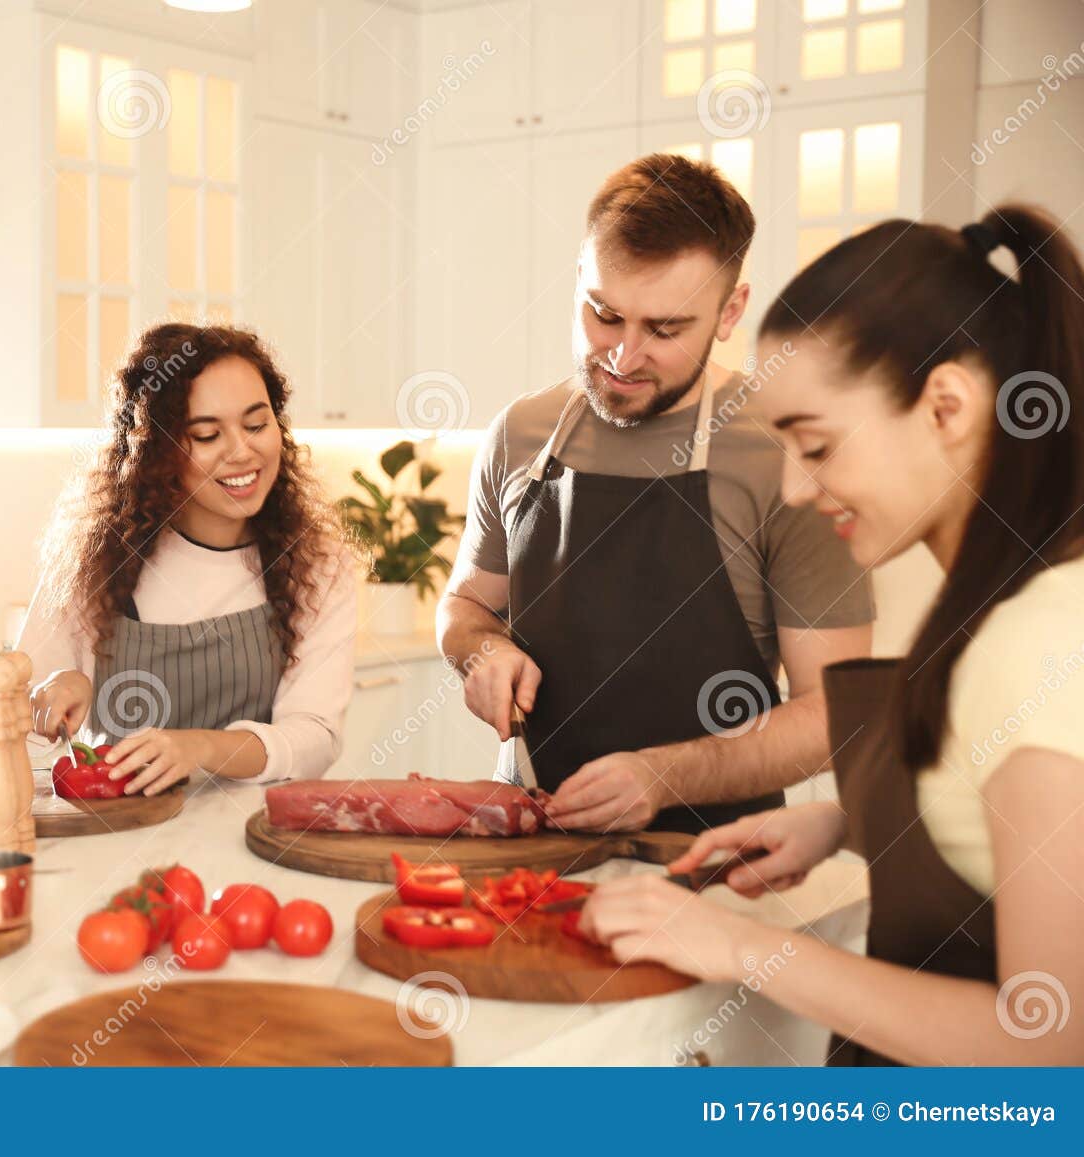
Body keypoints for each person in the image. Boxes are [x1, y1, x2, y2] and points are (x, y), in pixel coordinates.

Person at [582, 205, 1084, 1066]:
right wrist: (848, 824)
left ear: (947, 405)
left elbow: (1051, 1043)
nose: (799, 487)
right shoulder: (1021, 589)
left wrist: (739, 947)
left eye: (815, 445)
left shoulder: (1042, 635)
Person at [439, 153, 874, 834]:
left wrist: (666, 776)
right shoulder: (521, 434)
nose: (622, 356)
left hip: (719, 863)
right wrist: (480, 649)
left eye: (665, 329)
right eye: (603, 314)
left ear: (730, 311)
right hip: (534, 846)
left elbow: (834, 712)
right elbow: (464, 604)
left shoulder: (788, 458)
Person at [18, 322, 357, 796]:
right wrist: (56, 697)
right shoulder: (95, 561)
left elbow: (315, 738)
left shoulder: (318, 566)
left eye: (257, 425)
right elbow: (21, 734)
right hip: (116, 834)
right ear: (156, 452)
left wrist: (199, 748)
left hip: (256, 838)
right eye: (206, 434)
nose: (242, 451)